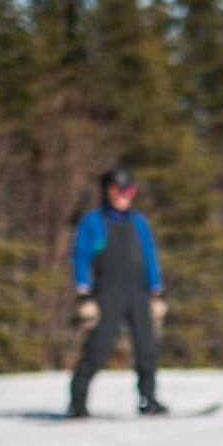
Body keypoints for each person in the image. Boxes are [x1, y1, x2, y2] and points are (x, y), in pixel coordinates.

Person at [67, 168, 164, 418]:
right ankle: (77, 402)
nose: (123, 195)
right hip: (108, 293)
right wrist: (83, 292)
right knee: (98, 347)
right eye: (117, 189)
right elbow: (81, 256)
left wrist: (156, 291)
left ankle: (148, 399)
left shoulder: (138, 222)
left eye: (128, 189)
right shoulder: (93, 221)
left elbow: (149, 256)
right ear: (106, 190)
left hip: (138, 292)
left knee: (146, 349)